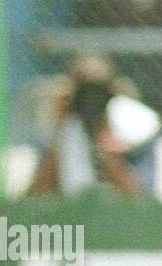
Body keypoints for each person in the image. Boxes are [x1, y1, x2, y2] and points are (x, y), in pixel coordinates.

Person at [27, 57, 160, 197]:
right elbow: (34, 196)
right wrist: (62, 129)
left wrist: (104, 144)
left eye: (99, 95)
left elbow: (139, 199)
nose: (90, 103)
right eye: (82, 96)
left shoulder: (137, 131)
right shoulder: (58, 134)